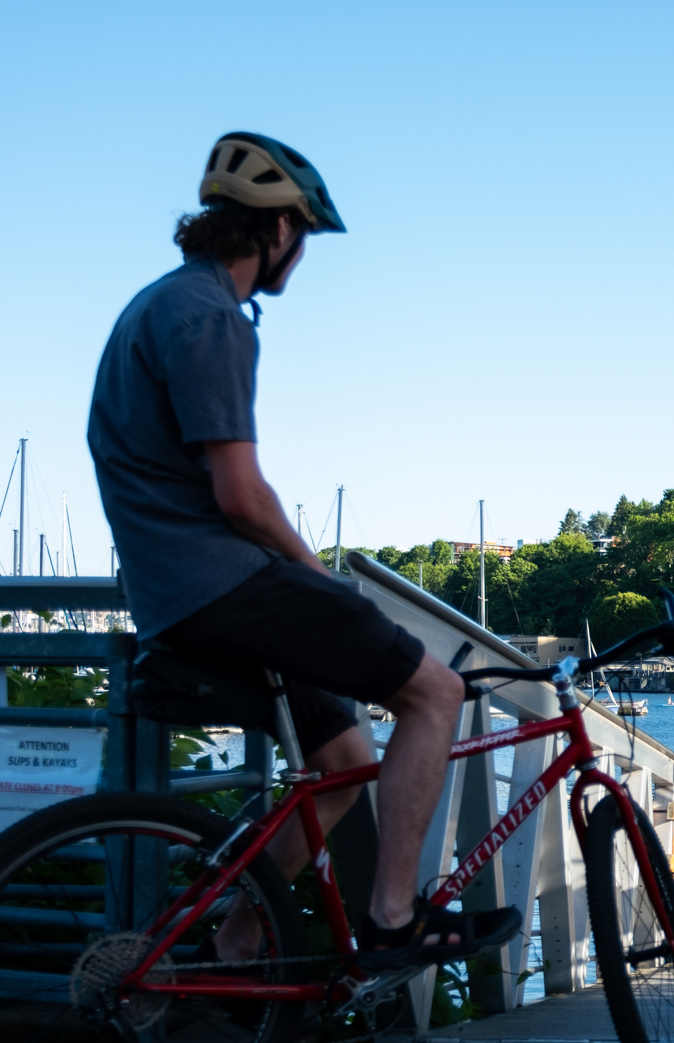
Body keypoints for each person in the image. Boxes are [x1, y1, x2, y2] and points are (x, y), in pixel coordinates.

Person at [86, 132, 521, 969]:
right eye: (305, 235)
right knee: (435, 692)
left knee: (348, 761)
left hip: (171, 589)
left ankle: (235, 937)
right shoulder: (211, 318)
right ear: (278, 228)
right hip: (222, 586)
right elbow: (240, 495)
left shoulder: (156, 304)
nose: (300, 254)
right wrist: (320, 579)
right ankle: (394, 918)